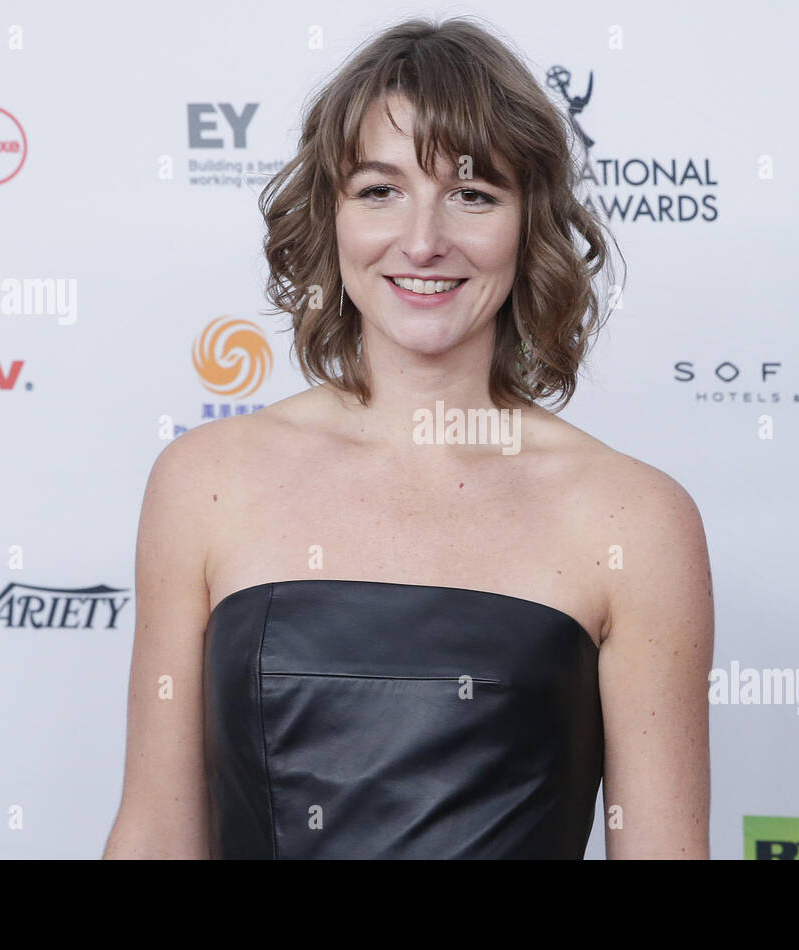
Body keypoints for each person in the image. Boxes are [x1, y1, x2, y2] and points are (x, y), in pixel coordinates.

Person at [103, 15, 713, 860]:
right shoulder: (206, 483)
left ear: (527, 224)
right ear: (332, 214)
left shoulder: (634, 520)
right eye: (380, 190)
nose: (422, 241)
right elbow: (158, 837)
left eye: (472, 194)